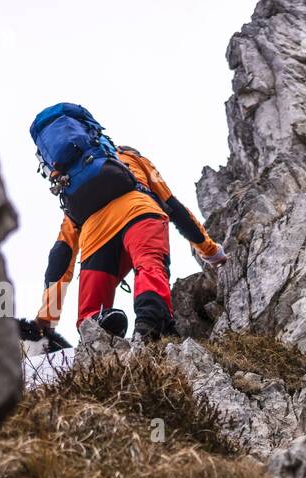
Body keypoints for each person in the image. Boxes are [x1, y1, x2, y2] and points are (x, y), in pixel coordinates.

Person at [29, 104, 225, 341]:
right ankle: (150, 322)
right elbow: (173, 207)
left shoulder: (72, 185)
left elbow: (62, 254)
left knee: (90, 312)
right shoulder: (130, 157)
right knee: (149, 265)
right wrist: (210, 251)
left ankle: (97, 328)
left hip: (95, 236)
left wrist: (48, 314)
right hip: (140, 213)